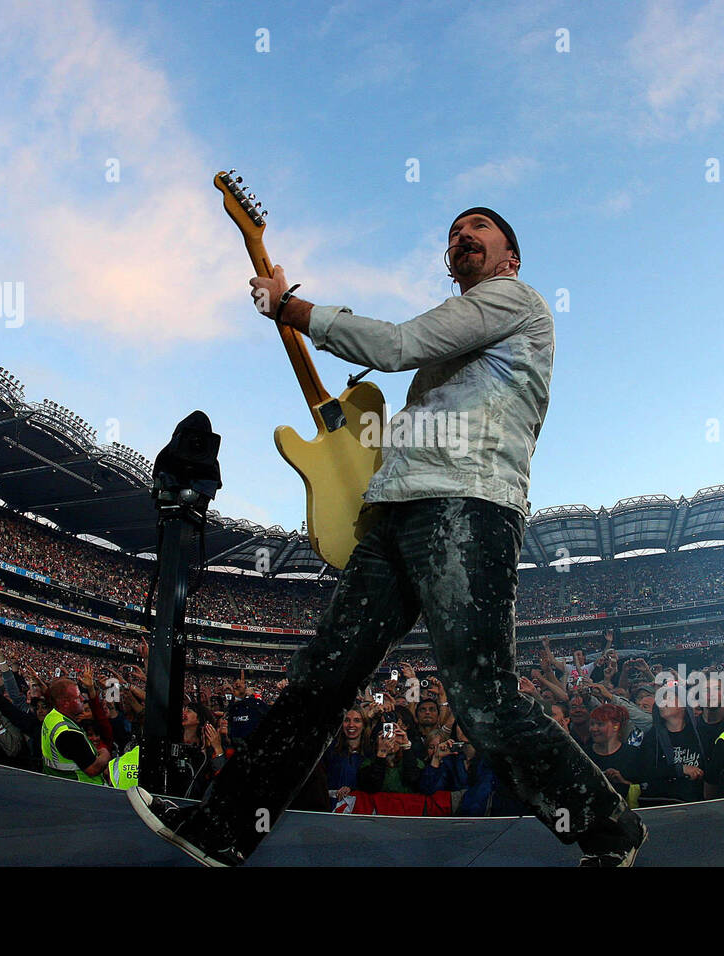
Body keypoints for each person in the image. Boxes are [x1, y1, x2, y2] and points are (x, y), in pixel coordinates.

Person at [131, 208, 646, 867]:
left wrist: (292, 306)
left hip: (466, 507)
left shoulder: (514, 300)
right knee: (320, 679)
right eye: (454, 232)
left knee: (481, 699)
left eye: (479, 227)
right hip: (396, 514)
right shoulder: (459, 347)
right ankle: (223, 828)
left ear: (510, 258)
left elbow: (395, 345)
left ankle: (608, 827)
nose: (462, 235)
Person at [40, 677, 111, 785]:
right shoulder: (68, 734)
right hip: (82, 789)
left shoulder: (51, 717)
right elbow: (93, 770)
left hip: (57, 783)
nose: (83, 699)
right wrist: (106, 754)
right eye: (78, 697)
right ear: (66, 703)